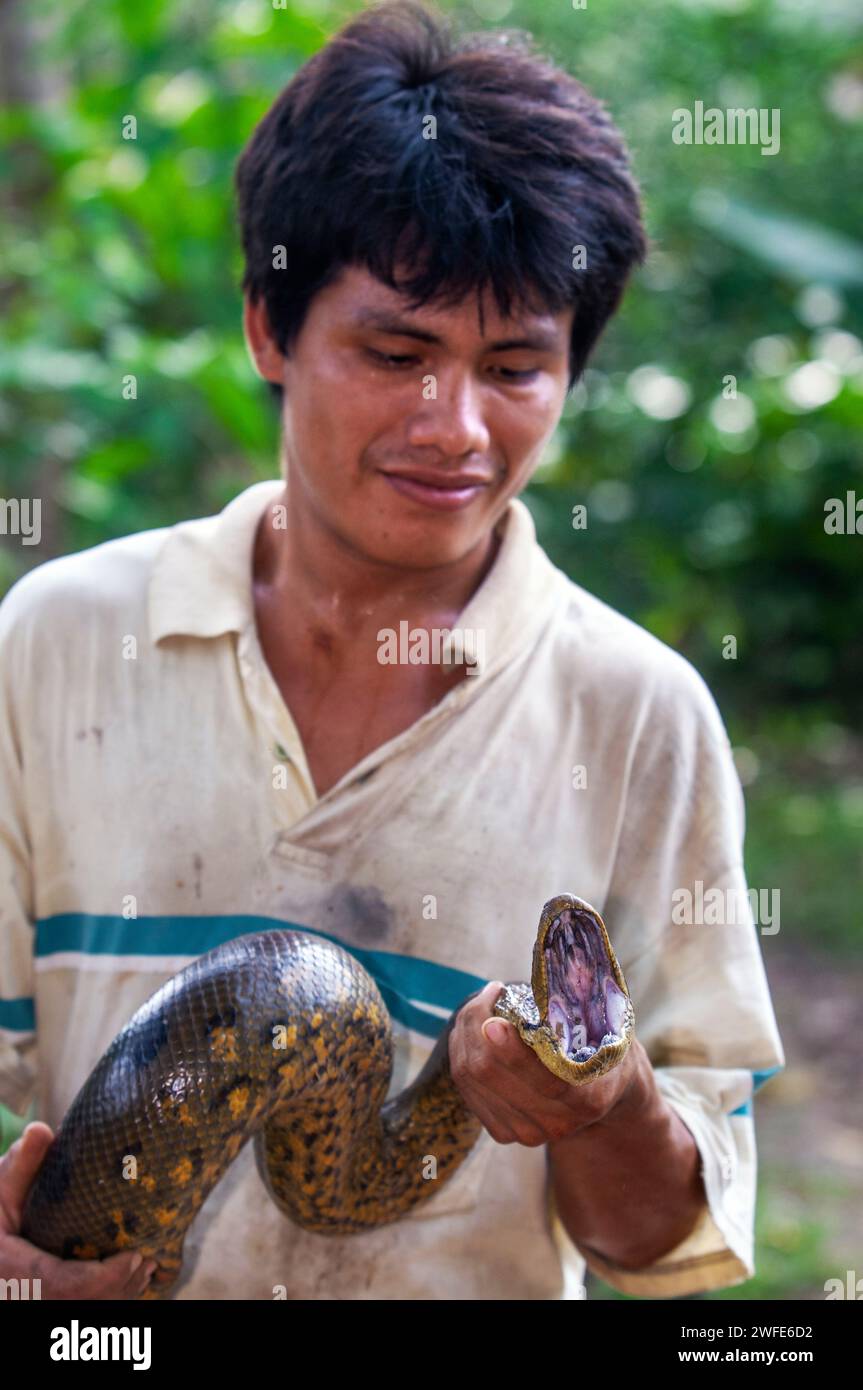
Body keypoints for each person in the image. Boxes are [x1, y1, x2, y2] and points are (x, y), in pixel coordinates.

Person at [0, 0, 784, 1300]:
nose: (455, 427)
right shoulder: (54, 644)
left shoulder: (641, 714)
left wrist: (593, 1092)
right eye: (396, 350)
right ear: (269, 328)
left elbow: (658, 1248)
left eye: (516, 366)